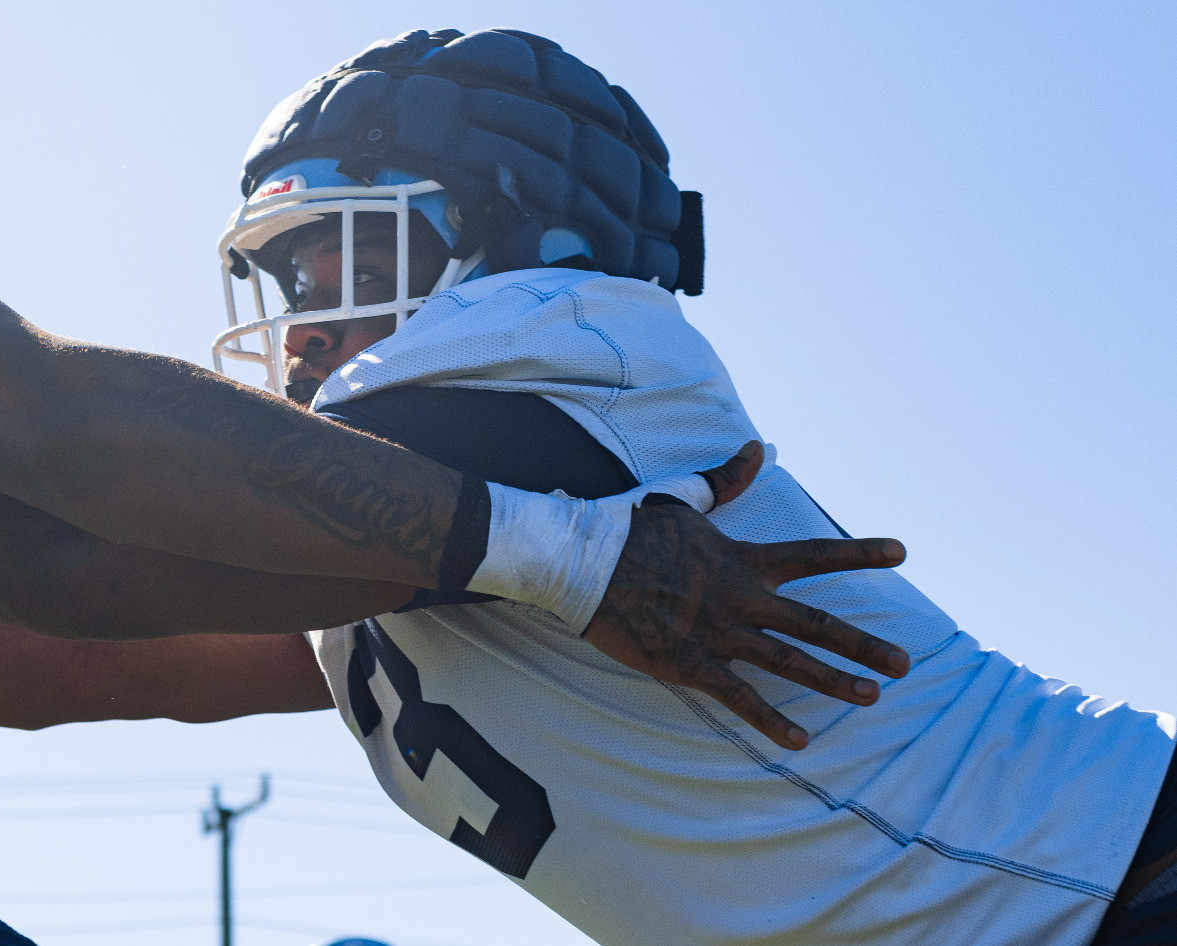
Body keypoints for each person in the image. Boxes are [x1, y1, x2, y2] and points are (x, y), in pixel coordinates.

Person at [0, 48, 905, 943]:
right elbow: (55, 468)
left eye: (344, 264)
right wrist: (575, 554)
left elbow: (36, 650)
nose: (306, 319)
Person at [204, 28, 1177, 946]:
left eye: (366, 266)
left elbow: (149, 497)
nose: (306, 329)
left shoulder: (567, 336)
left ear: (517, 249)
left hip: (1113, 879)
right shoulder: (375, 530)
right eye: (301, 288)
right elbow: (123, 644)